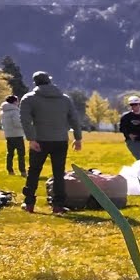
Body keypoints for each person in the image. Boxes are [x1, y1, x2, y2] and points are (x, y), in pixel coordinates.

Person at [19, 72, 83, 213]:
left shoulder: (29, 98)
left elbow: (25, 120)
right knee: (59, 173)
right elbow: (74, 119)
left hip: (39, 140)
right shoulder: (65, 99)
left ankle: (29, 203)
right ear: (49, 81)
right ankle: (58, 205)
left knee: (34, 171)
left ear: (35, 82)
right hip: (60, 140)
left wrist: (31, 139)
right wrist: (78, 138)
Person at [118, 95, 140, 160]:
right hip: (131, 141)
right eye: (133, 104)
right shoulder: (126, 117)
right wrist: (129, 135)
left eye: (138, 104)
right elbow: (122, 128)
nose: (136, 106)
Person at [1, 94, 24, 175]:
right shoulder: (15, 111)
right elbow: (17, 123)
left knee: (10, 153)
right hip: (17, 134)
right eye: (17, 101)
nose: (18, 103)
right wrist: (25, 125)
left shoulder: (4, 112)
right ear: (14, 102)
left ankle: (10, 170)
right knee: (21, 154)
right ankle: (22, 171)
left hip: (8, 134)